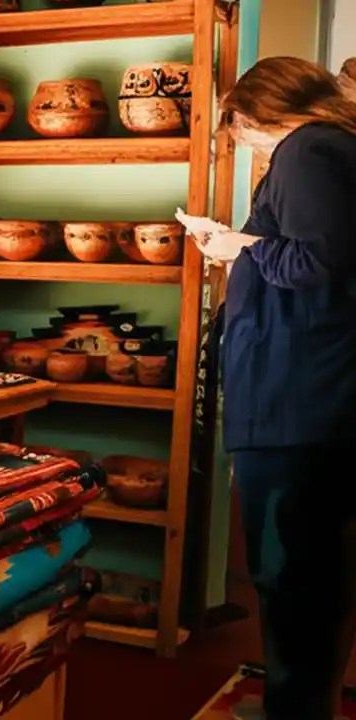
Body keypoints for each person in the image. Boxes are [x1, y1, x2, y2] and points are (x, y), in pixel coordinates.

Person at [197, 56, 356, 720]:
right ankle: (303, 704)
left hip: (298, 400)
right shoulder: (335, 149)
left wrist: (239, 247)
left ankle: (295, 710)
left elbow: (317, 259)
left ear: (256, 113)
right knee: (317, 571)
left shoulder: (307, 150)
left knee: (290, 573)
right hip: (318, 396)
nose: (244, 144)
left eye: (238, 129)